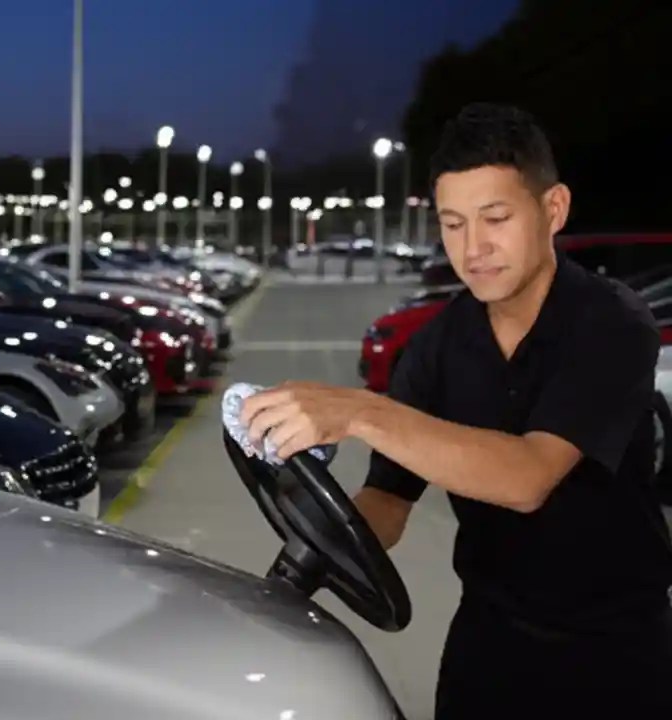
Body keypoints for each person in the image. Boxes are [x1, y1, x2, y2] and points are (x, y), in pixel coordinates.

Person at [240, 102, 672, 718]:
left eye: (495, 218)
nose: (474, 249)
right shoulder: (436, 349)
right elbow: (387, 505)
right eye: (452, 224)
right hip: (489, 643)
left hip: (616, 655)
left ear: (553, 210)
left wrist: (362, 412)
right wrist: (304, 552)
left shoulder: (611, 323)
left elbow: (527, 477)